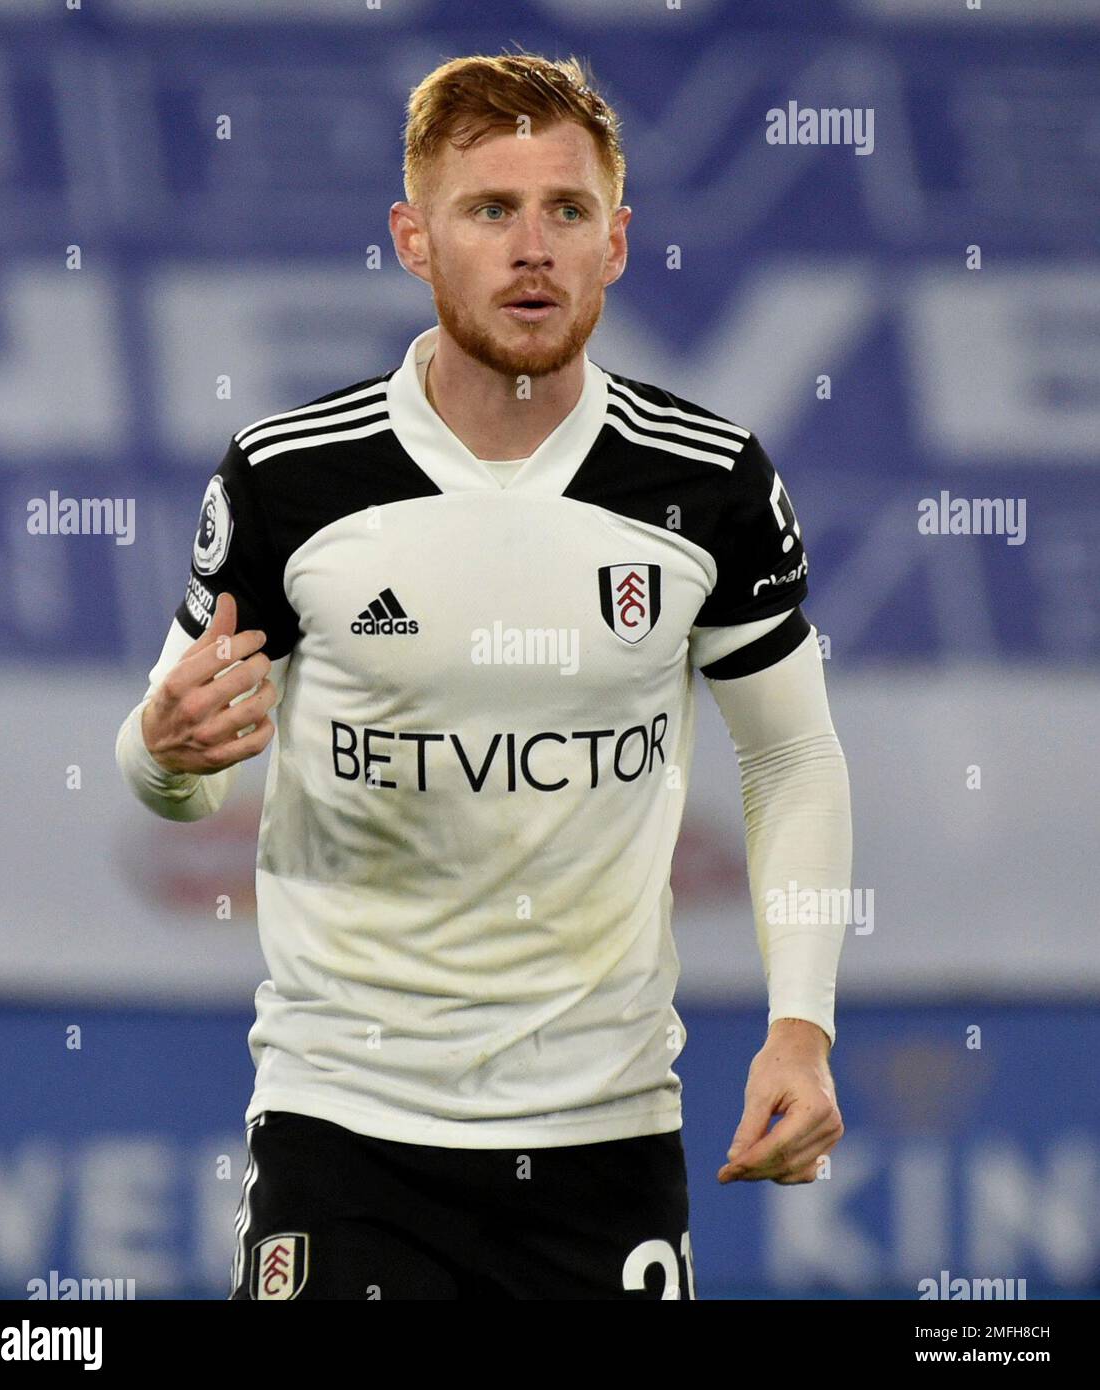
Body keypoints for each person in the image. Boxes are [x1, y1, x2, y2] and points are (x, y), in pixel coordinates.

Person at [115, 52, 851, 1301]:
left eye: (568, 210)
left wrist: (803, 1022)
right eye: (489, 210)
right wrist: (162, 752)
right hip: (344, 1126)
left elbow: (790, 754)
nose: (533, 248)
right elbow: (171, 770)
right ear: (414, 237)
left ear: (617, 243)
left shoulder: (708, 484)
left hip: (605, 1133)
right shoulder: (289, 481)